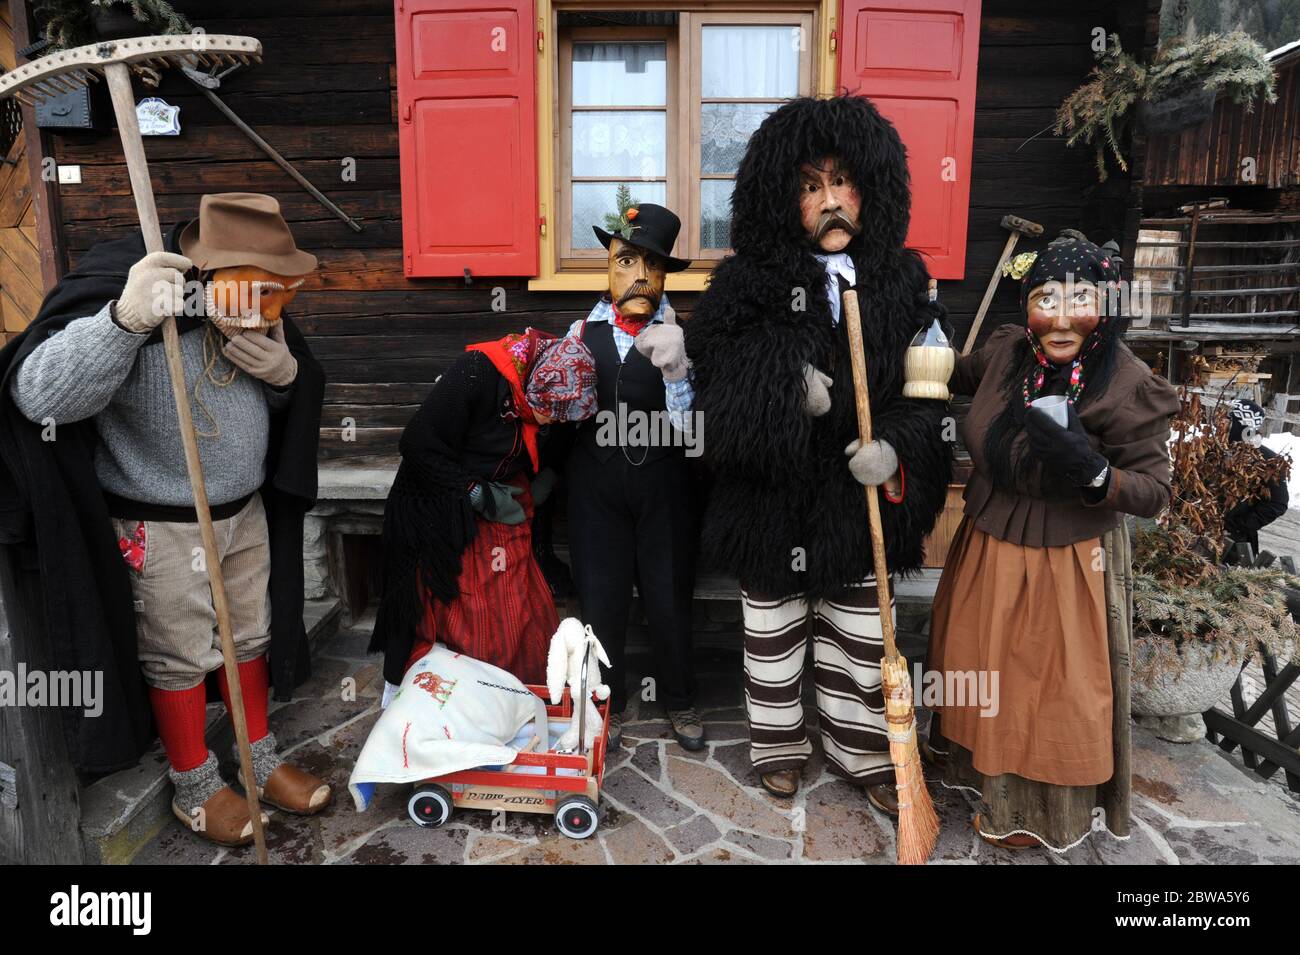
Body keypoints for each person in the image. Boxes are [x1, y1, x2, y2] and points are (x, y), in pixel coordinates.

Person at [1, 193, 330, 847]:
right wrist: (123, 321)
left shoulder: (253, 303)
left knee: (249, 636)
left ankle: (257, 760)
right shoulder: (132, 289)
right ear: (211, 270)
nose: (275, 303)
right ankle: (196, 785)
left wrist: (289, 376)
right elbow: (39, 396)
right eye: (262, 287)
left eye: (282, 288)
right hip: (161, 523)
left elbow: (297, 386)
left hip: (246, 511)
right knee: (179, 650)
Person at [684, 95, 952, 808]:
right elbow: (710, 386)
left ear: (873, 187)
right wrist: (781, 384)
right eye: (809, 186)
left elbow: (929, 392)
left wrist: (896, 448)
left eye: (842, 182)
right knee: (772, 638)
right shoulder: (744, 283)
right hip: (770, 501)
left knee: (861, 639)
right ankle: (778, 744)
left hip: (854, 503)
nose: (829, 201)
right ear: (782, 198)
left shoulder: (904, 281)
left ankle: (862, 751)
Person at [927, 229, 1180, 851]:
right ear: (1027, 305)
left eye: (1081, 299)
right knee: (976, 668)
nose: (1061, 318)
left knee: (1046, 691)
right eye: (1046, 298)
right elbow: (957, 374)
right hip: (988, 543)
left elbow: (1153, 490)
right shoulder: (1009, 352)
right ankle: (982, 785)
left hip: (1068, 560)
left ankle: (1040, 813)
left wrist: (1096, 472)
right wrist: (922, 336)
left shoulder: (1127, 382)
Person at [371, 328, 598, 692]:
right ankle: (428, 701)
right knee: (447, 613)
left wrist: (546, 478)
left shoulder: (548, 392)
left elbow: (552, 449)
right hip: (434, 505)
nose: (554, 421)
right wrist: (477, 494)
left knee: (511, 613)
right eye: (549, 413)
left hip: (499, 515)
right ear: (532, 389)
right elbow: (416, 444)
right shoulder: (476, 373)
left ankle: (507, 695)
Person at [563, 202, 705, 751]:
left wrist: (675, 369)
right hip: (594, 487)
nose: (639, 276)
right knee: (601, 597)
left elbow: (691, 429)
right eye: (626, 261)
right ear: (608, 265)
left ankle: (680, 699)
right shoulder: (580, 330)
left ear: (666, 274)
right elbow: (564, 411)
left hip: (664, 486)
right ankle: (608, 700)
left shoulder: (683, 334)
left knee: (670, 594)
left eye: (652, 265)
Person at [1223, 399, 1289, 558]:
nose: (1222, 424)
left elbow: (1277, 504)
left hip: (1236, 544)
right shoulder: (1212, 448)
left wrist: (1237, 526)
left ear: (1241, 424)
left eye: (1228, 420)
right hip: (1196, 533)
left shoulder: (1269, 461)